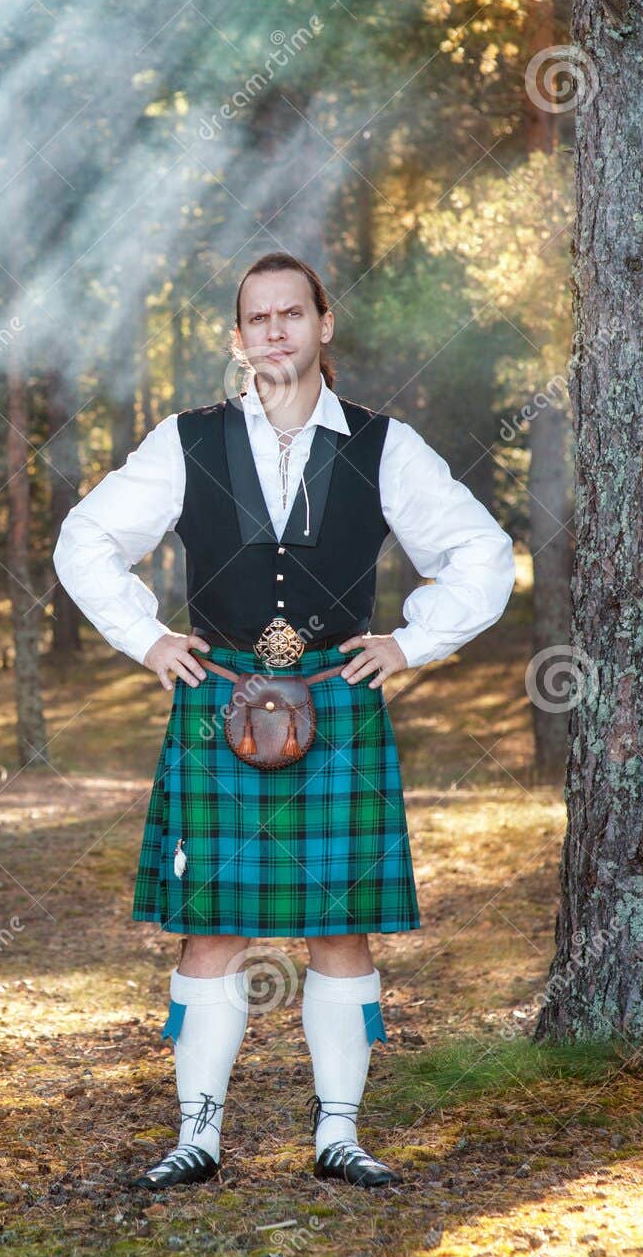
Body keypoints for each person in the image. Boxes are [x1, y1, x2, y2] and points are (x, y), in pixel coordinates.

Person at [52, 252, 516, 1191]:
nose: (274, 331)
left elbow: (481, 551)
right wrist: (147, 641)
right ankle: (200, 1134)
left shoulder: (383, 445)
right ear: (238, 337)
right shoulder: (186, 441)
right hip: (218, 694)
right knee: (212, 927)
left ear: (322, 325)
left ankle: (338, 1133)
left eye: (291, 314)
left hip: (339, 697)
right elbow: (86, 539)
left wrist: (410, 642)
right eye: (256, 318)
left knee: (340, 927)